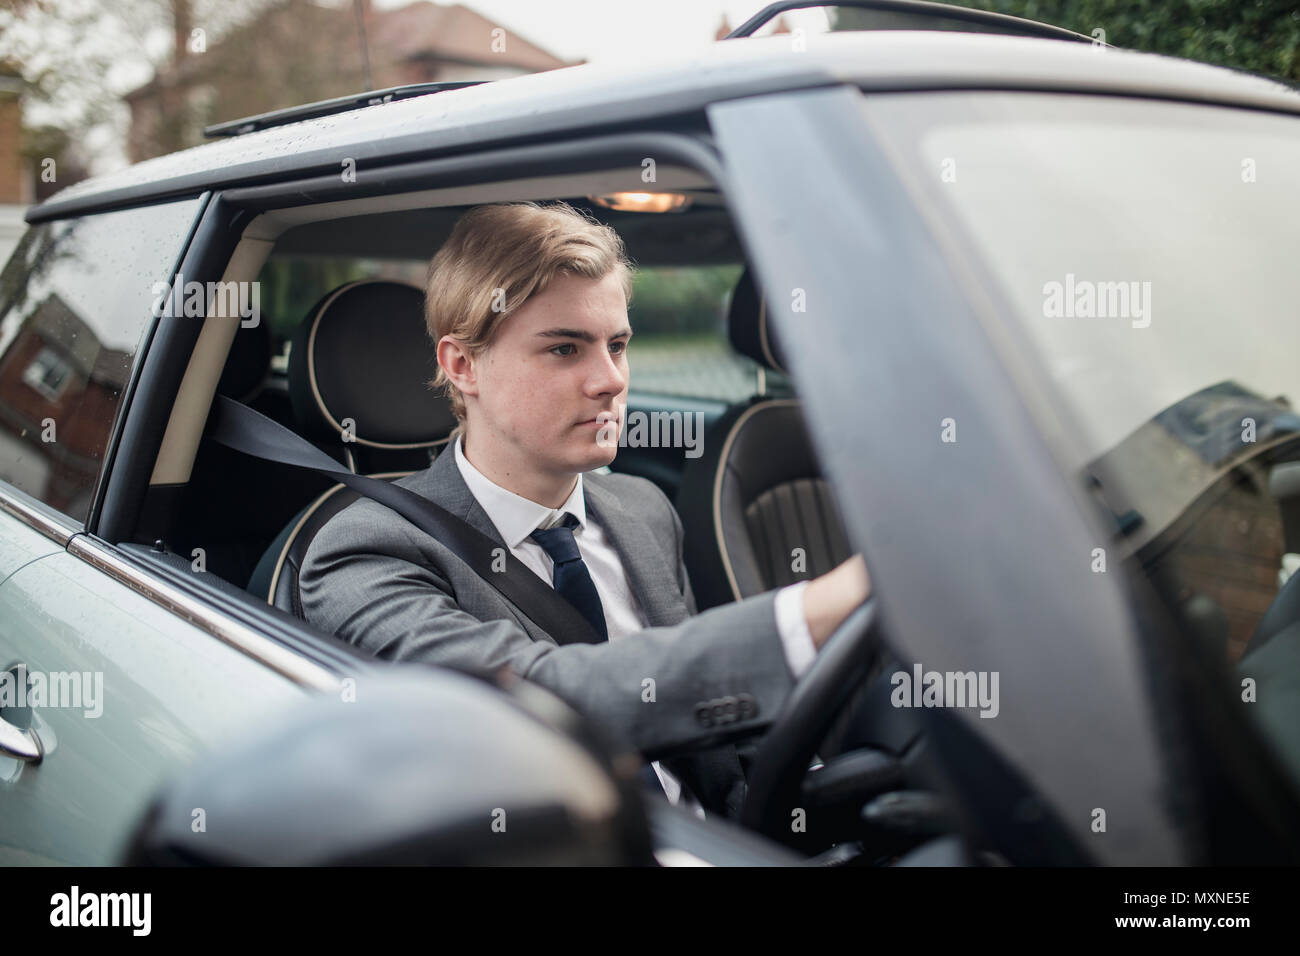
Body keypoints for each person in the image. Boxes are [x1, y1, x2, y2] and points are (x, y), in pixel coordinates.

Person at [299, 201, 870, 819]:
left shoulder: (642, 507)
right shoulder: (362, 549)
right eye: (565, 350)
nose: (610, 380)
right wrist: (811, 615)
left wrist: (813, 799)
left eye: (617, 345)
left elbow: (698, 726)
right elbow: (530, 706)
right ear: (463, 365)